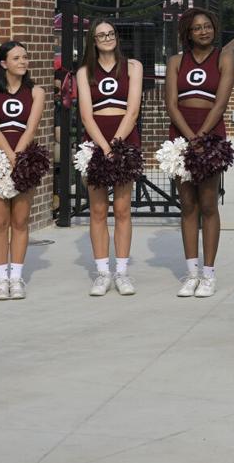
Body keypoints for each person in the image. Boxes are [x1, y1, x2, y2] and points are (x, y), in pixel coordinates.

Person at [164, 9, 234, 298]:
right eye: (197, 28)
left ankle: (208, 274)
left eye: (208, 26)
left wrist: (202, 137)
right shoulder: (175, 61)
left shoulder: (224, 59)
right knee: (187, 204)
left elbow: (220, 102)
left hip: (211, 135)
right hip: (181, 135)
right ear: (188, 33)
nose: (204, 31)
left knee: (208, 204)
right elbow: (171, 103)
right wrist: (189, 137)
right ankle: (191, 273)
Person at [76, 19, 144, 297]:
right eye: (101, 34)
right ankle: (103, 272)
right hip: (95, 141)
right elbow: (85, 114)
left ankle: (122, 272)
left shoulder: (133, 67)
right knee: (98, 210)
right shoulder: (84, 72)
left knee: (123, 209)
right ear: (93, 40)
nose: (107, 38)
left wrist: (115, 145)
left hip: (124, 140)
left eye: (111, 33)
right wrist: (103, 148)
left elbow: (133, 110)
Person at [0, 41, 46, 301]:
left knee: (19, 221)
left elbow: (31, 128)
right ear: (3, 63)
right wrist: (8, 157)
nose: (23, 62)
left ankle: (16, 279)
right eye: (17, 58)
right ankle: (0, 279)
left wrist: (19, 158)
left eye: (25, 57)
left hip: (24, 159)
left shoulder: (36, 92)